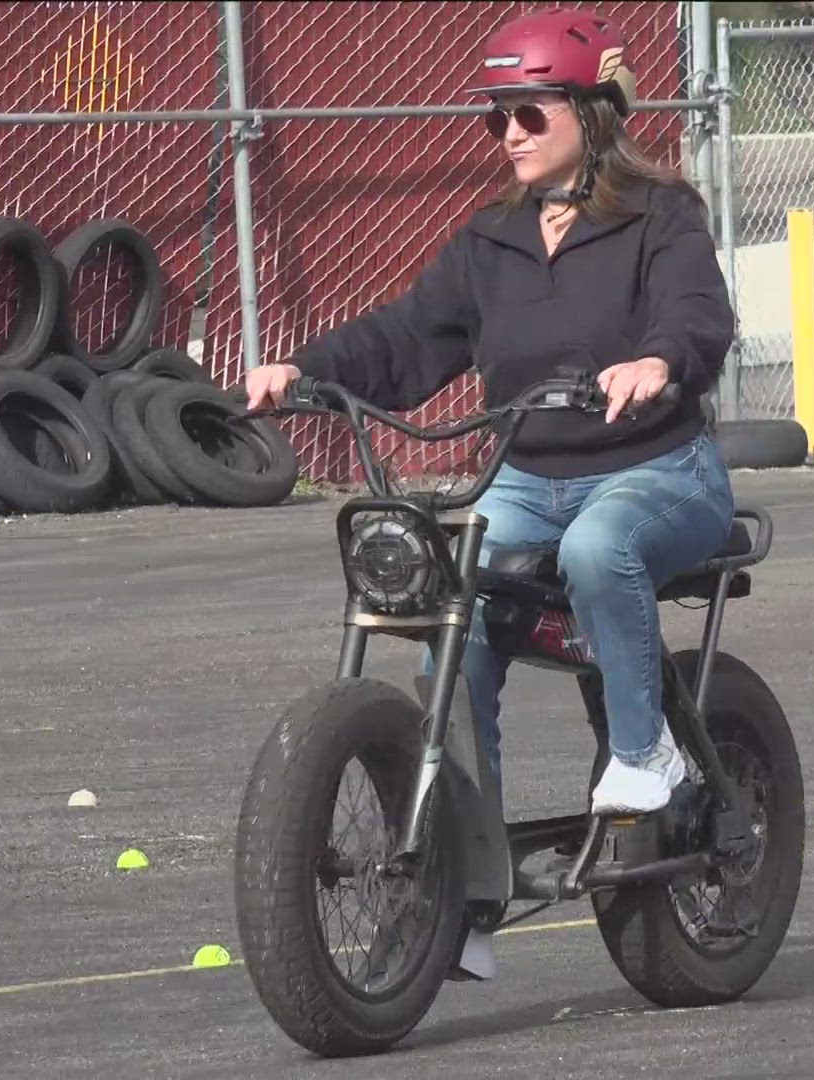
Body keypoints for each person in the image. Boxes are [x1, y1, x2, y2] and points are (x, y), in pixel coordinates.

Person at [244, 9, 736, 970]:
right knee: (443, 603)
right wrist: (299, 372)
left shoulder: (662, 216)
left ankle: (646, 757)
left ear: (590, 115)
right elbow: (405, 336)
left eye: (528, 112)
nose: (508, 132)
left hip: (656, 467)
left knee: (601, 549)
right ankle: (460, 889)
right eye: (496, 116)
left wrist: (659, 362)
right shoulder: (491, 241)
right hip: (527, 475)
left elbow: (699, 316)